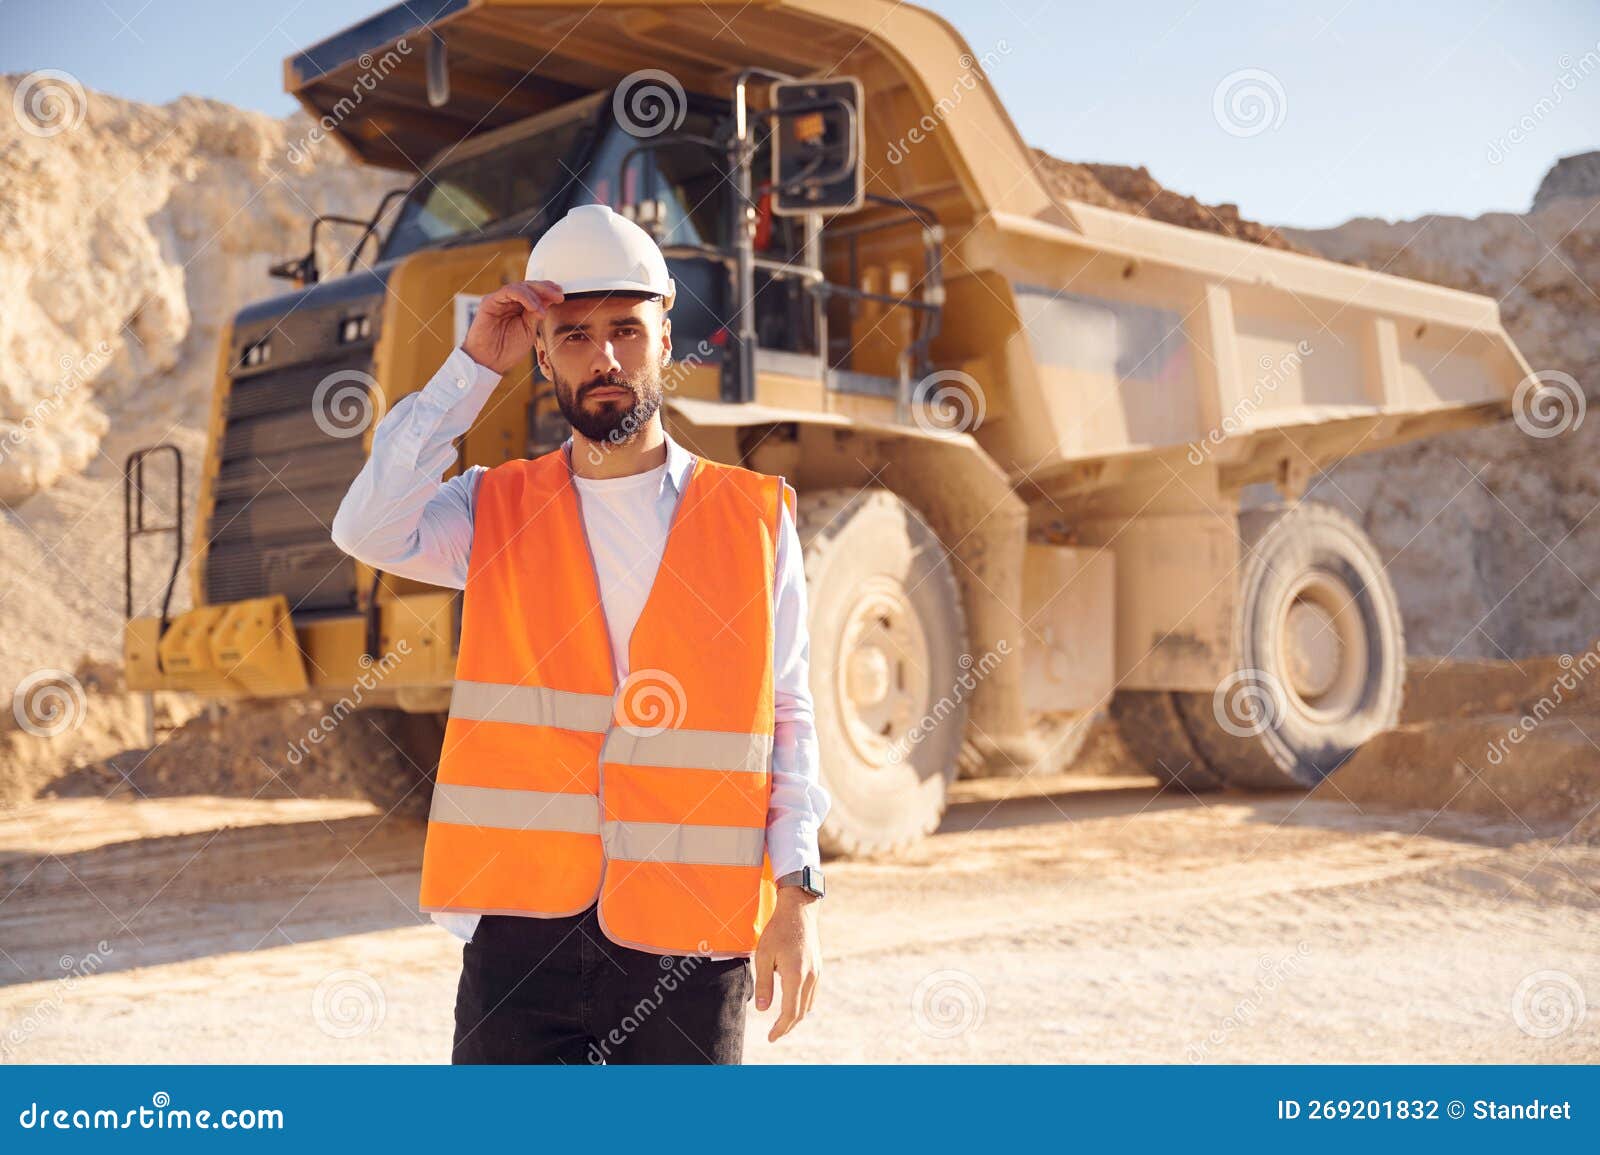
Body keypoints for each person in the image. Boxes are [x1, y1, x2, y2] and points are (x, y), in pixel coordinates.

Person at [331, 203, 830, 1064]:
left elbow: (788, 712)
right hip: (522, 938)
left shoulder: (754, 518)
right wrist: (468, 371)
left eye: (626, 331)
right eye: (573, 335)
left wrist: (797, 895)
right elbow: (366, 528)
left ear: (666, 340)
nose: (603, 357)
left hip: (689, 941)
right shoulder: (495, 508)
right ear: (539, 354)